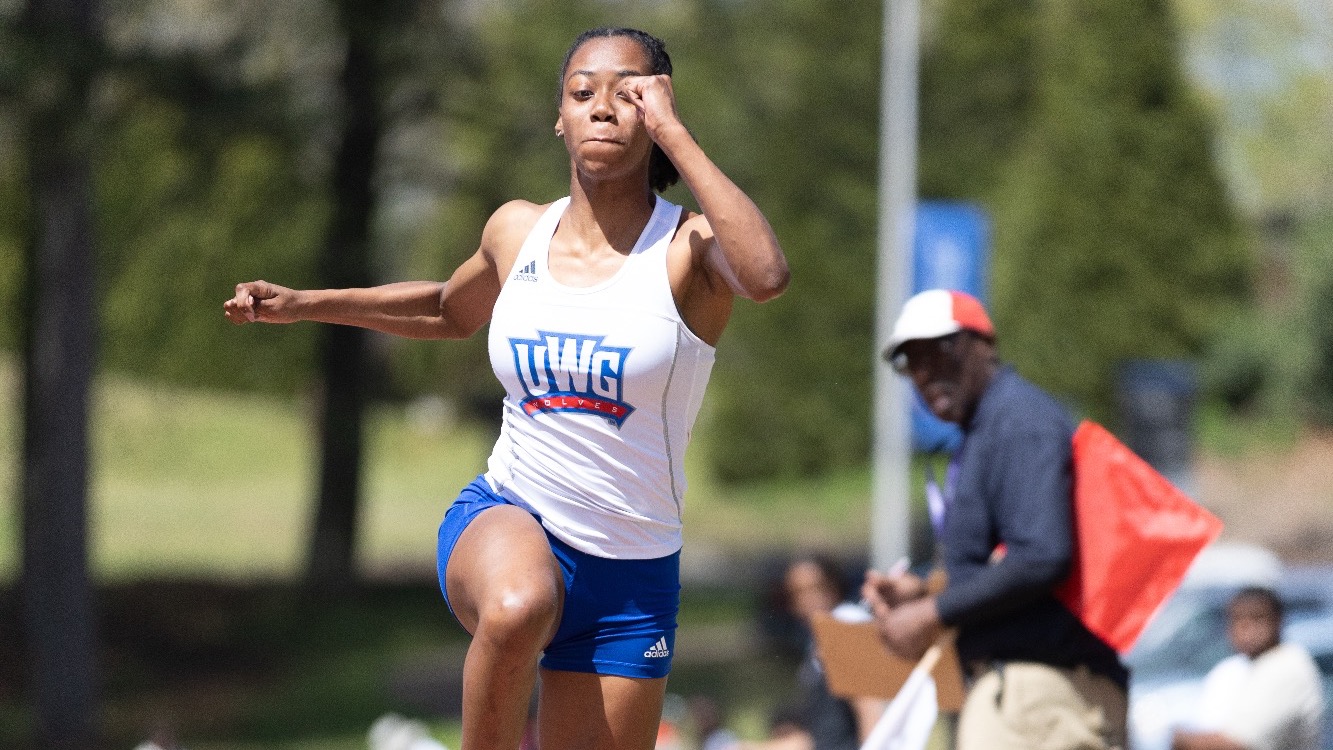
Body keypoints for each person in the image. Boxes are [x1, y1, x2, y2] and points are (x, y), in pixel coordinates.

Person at [223, 26, 788, 750]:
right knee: (520, 605)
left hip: (630, 579)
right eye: (583, 93)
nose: (603, 109)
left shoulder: (688, 251)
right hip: (512, 519)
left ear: (656, 113)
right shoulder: (518, 231)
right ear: (559, 116)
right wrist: (305, 304)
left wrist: (676, 134)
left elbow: (767, 276)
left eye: (629, 95)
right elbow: (443, 309)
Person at [860, 289, 1129, 750]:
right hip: (1024, 693)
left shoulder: (1018, 419)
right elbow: (1012, 563)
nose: (925, 372)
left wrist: (931, 612)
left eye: (940, 350)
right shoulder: (987, 428)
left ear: (985, 344)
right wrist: (927, 590)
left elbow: (1042, 555)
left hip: (1041, 694)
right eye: (911, 362)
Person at [735, 556, 887, 750]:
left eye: (815, 588)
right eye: (797, 593)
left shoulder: (844, 629)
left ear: (833, 586)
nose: (807, 600)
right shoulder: (817, 642)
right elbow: (825, 735)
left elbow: (869, 709)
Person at [1171, 586, 1325, 750]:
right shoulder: (1238, 667)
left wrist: (1182, 740)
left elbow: (1237, 744)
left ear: (1278, 621)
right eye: (1237, 619)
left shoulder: (1286, 667)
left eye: (1256, 618)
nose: (1245, 627)